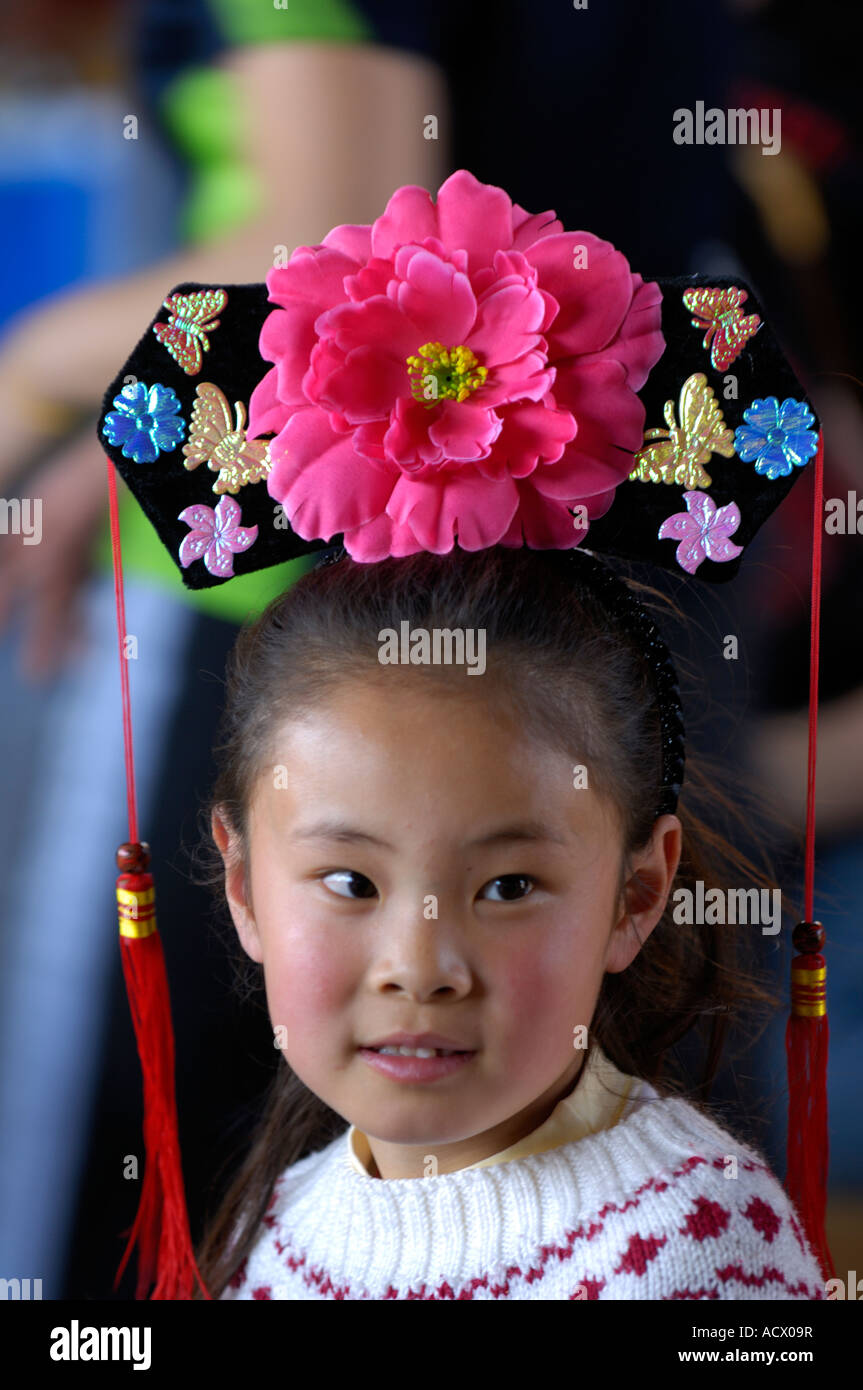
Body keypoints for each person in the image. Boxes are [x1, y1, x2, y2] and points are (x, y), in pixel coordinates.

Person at [98, 168, 831, 1299]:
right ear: (240, 887)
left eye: (505, 887)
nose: (419, 967)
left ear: (636, 895)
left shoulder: (694, 1248)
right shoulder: (286, 1220)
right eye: (347, 880)